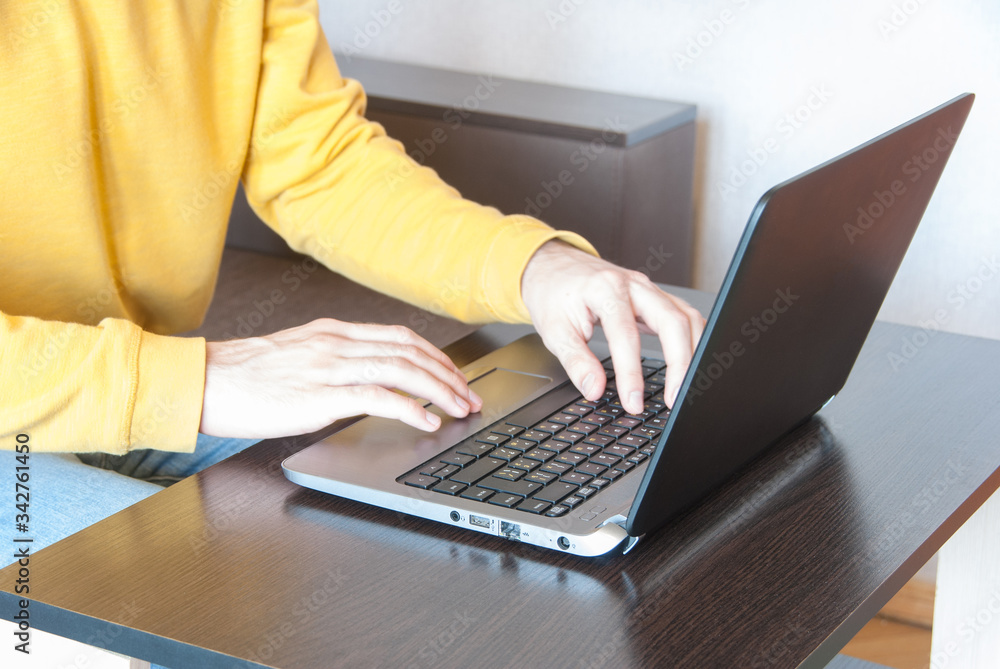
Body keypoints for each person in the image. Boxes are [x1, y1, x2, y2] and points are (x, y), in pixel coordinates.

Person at [1, 0, 704, 556]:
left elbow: (318, 164)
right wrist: (198, 380)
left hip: (129, 380)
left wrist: (532, 265)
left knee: (412, 518)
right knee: (183, 597)